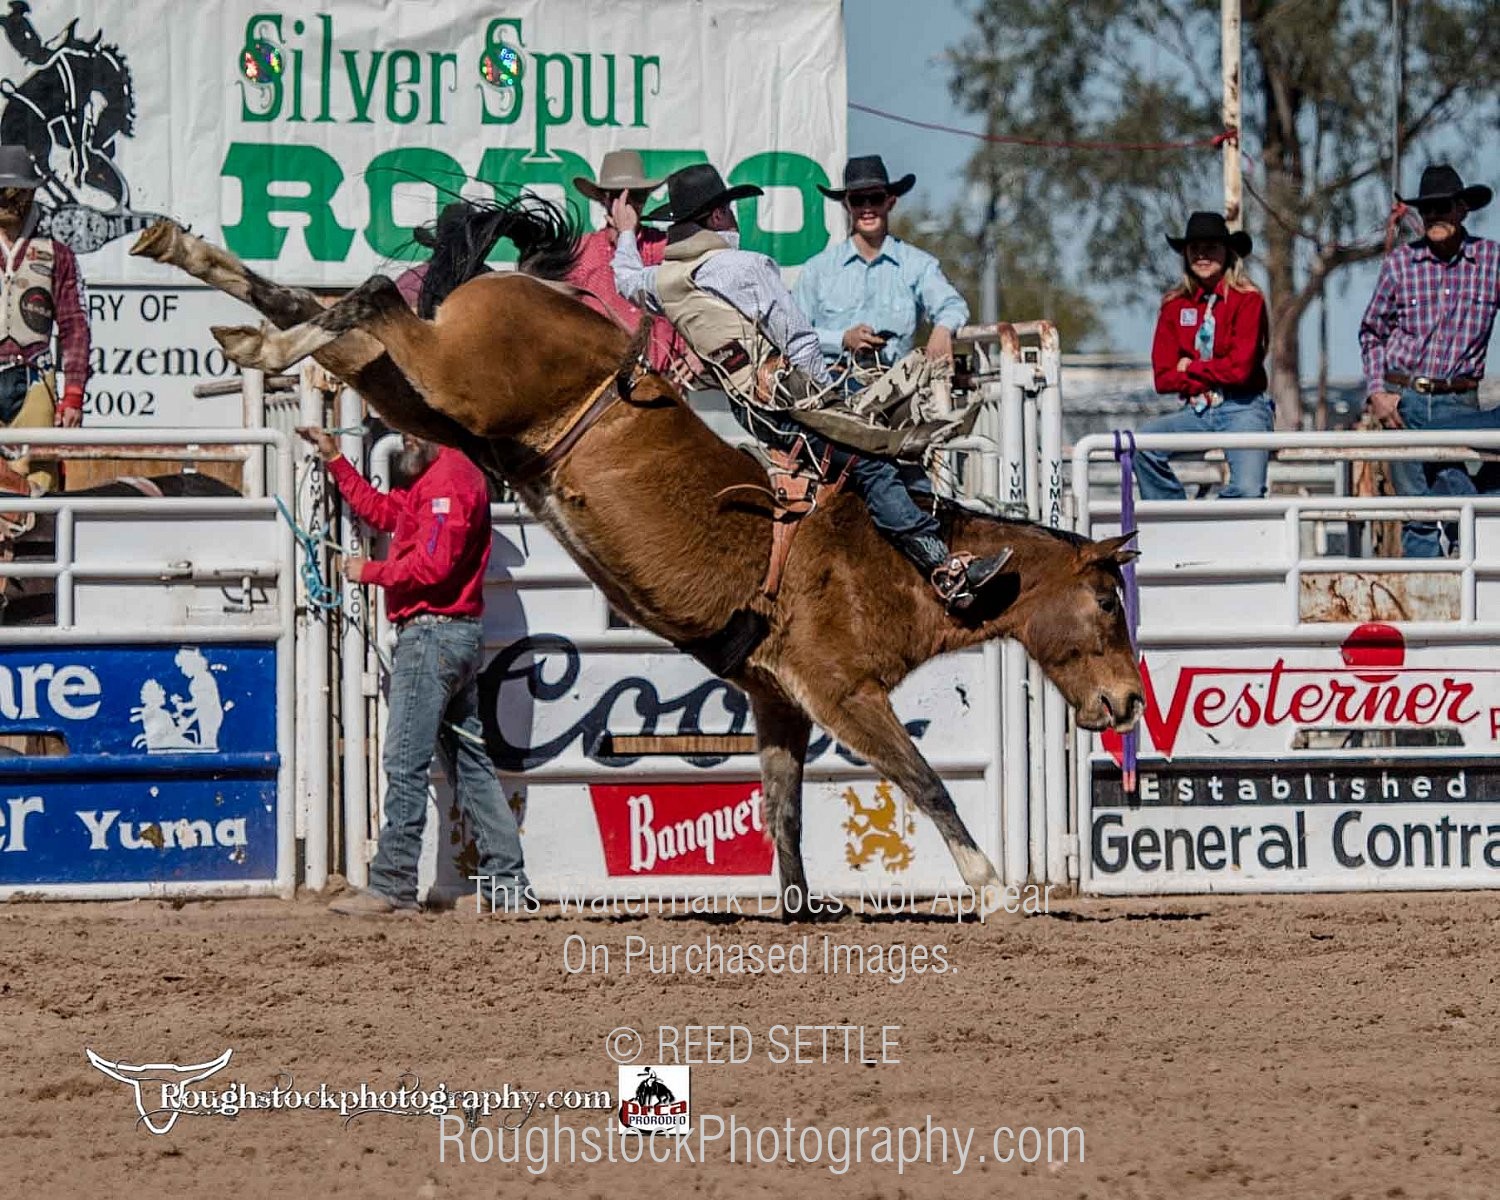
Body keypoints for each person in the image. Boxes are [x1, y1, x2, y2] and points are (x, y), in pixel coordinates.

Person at [610, 162, 1010, 613]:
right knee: (873, 462)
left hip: (752, 409)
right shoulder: (747, 268)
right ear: (718, 215)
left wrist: (626, 233)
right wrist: (831, 406)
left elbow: (625, 280)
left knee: (883, 457)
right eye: (729, 210)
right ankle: (945, 571)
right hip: (791, 401)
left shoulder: (664, 280)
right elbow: (798, 340)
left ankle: (927, 551)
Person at [297, 426, 530, 916]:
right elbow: (387, 514)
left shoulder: (448, 482)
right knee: (470, 765)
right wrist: (336, 460)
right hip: (450, 637)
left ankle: (394, 883)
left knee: (405, 761)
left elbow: (433, 567)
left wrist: (371, 572)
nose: (403, 436)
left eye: (409, 427)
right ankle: (507, 883)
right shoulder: (447, 478)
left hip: (431, 638)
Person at [1360, 164, 1500, 558]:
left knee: (1465, 504)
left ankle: (1472, 576)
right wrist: (1378, 392)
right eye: (1427, 209)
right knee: (1417, 512)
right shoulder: (1400, 263)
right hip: (1404, 399)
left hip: (1460, 398)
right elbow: (1372, 331)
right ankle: (1426, 585)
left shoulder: (1491, 260)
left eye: (1443, 207)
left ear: (1462, 209)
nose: (1434, 216)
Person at [1133, 211, 1272, 501]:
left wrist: (1190, 368)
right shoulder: (1174, 305)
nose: (1202, 255)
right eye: (1194, 248)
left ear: (1227, 252)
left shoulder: (1248, 299)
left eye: (1211, 247)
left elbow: (1240, 371)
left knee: (1248, 489)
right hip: (1196, 409)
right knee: (1141, 446)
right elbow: (1164, 377)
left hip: (1242, 407)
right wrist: (1208, 374)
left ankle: (1213, 520)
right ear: (1185, 255)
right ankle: (1179, 518)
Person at [793, 155, 969, 374]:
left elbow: (952, 305)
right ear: (847, 205)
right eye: (858, 200)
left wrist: (942, 329)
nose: (867, 208)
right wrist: (842, 339)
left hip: (897, 383)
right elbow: (793, 333)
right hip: (830, 384)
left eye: (875, 198)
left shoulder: (917, 265)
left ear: (890, 202)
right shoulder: (817, 270)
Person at [0, 144, 88, 492]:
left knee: (40, 481)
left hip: (34, 374)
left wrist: (74, 393)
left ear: (30, 195)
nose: (7, 201)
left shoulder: (56, 253)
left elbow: (74, 324)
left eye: (14, 192)